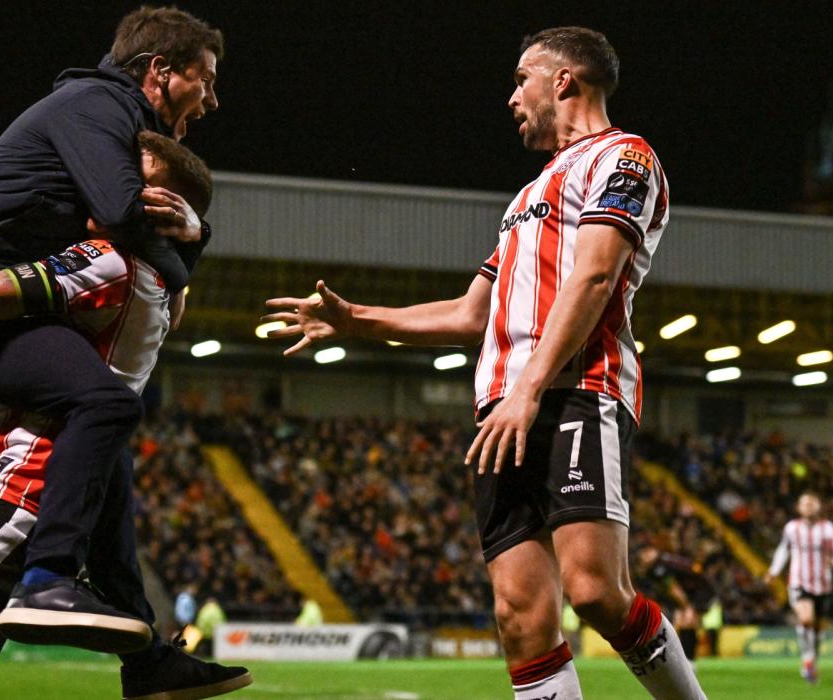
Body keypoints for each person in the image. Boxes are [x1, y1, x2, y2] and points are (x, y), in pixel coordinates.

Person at [264, 27, 704, 700]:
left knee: (593, 590)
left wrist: (530, 387)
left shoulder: (625, 158)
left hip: (573, 391)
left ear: (564, 81)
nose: (511, 97)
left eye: (522, 79)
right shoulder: (526, 199)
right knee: (520, 616)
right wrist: (359, 321)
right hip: (503, 409)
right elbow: (473, 314)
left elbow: (592, 278)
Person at [0, 133, 250, 700]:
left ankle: (58, 586)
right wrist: (191, 240)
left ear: (153, 202)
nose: (94, 180)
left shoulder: (110, 260)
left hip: (12, 488)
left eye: (120, 176)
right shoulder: (161, 284)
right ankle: (148, 658)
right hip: (40, 491)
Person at [0, 5, 223, 652]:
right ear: (159, 71)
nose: (211, 99)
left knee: (109, 444)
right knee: (103, 403)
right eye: (204, 78)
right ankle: (46, 579)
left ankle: (146, 652)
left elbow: (162, 280)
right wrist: (194, 240)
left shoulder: (112, 119)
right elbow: (121, 213)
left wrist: (192, 240)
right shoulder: (95, 106)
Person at [763, 492, 833, 684]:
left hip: (822, 586)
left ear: (819, 506)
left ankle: (811, 660)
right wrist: (773, 571)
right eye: (804, 503)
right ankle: (807, 659)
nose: (808, 506)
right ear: (798, 508)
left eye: (812, 503)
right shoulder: (792, 528)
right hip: (798, 582)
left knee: (816, 629)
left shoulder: (828, 529)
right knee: (806, 618)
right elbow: (783, 550)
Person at [636, 546, 716, 665]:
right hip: (696, 588)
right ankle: (687, 660)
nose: (644, 556)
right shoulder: (664, 560)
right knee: (685, 622)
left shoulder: (659, 567)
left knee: (687, 622)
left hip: (700, 591)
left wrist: (686, 606)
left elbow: (674, 589)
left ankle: (689, 661)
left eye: (647, 553)